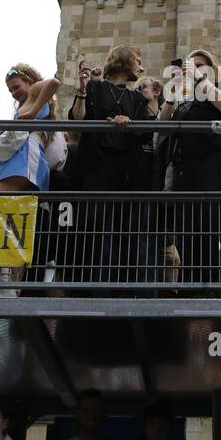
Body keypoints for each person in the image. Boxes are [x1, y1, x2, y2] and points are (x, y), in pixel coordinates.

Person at [70, 48, 153, 285]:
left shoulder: (137, 98)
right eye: (138, 61)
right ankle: (89, 285)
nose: (142, 67)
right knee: (93, 228)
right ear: (124, 62)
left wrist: (129, 122)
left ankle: (121, 285)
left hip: (127, 171)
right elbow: (77, 119)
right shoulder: (96, 88)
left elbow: (145, 133)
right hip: (96, 167)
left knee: (125, 228)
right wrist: (83, 88)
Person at [161, 50, 221, 286]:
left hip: (212, 168)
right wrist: (171, 95)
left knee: (212, 227)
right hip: (186, 170)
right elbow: (164, 124)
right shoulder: (187, 98)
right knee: (186, 229)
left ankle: (215, 285)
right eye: (191, 65)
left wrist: (199, 78)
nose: (194, 68)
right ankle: (190, 285)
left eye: (201, 64)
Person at [0, 64, 61, 193]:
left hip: (26, 154)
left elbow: (54, 83)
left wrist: (33, 112)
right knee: (3, 206)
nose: (14, 93)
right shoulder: (26, 103)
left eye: (16, 87)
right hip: (21, 155)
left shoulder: (34, 90)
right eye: (10, 91)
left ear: (29, 82)